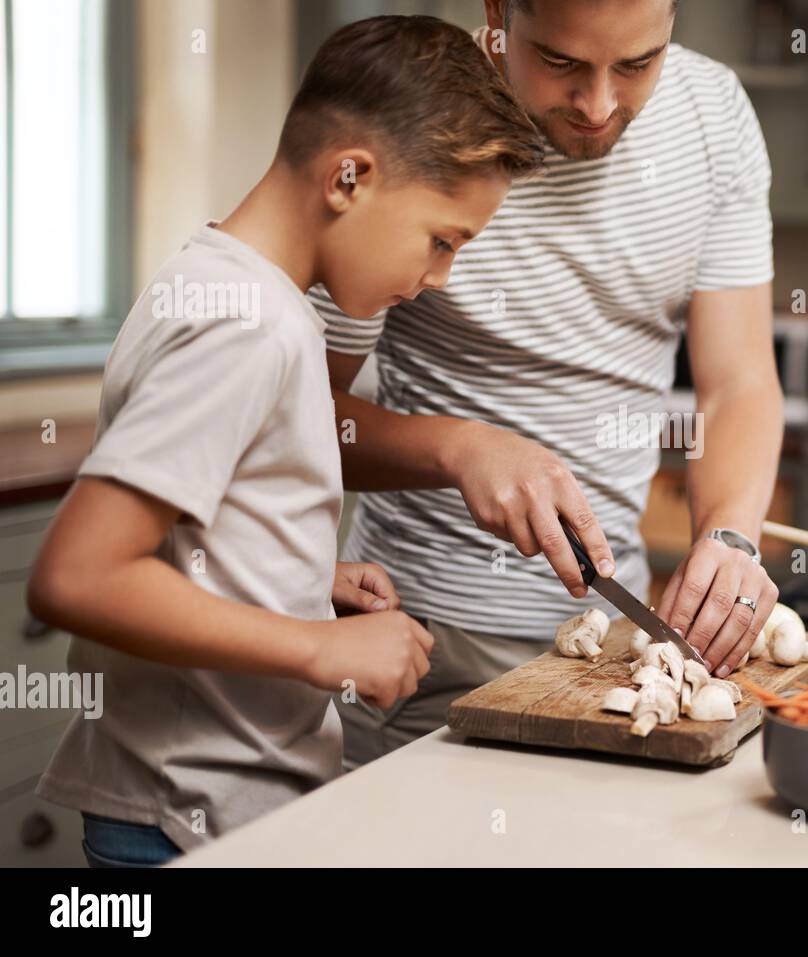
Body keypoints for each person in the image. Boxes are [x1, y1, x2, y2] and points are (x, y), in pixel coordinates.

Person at [27, 15, 545, 865]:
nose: (438, 276)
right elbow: (78, 576)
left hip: (207, 802)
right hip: (186, 815)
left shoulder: (224, 288)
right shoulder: (250, 324)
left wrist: (296, 578)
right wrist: (318, 644)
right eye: (442, 240)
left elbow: (181, 532)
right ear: (349, 177)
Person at [313, 0, 785, 767]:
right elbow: (292, 420)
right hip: (415, 642)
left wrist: (730, 537)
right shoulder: (407, 113)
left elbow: (737, 386)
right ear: (498, 12)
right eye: (562, 62)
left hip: (616, 653)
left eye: (637, 64)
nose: (599, 107)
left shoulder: (714, 117)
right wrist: (458, 448)